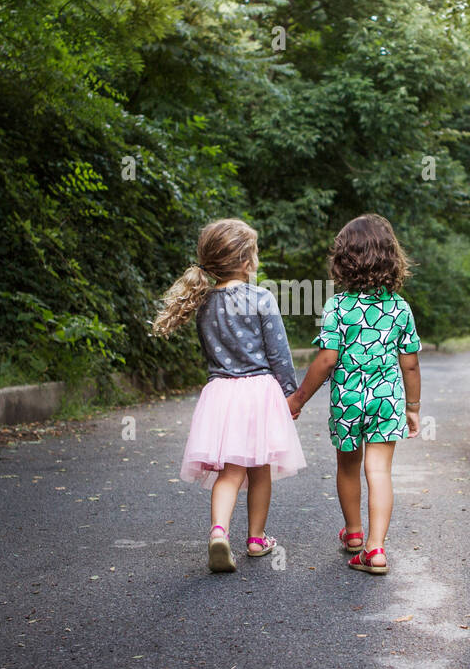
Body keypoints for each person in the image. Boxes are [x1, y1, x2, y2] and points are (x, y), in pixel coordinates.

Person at [152, 218, 305, 573]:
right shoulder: (260, 297)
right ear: (245, 260)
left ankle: (218, 532)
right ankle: (256, 538)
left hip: (221, 393)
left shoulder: (202, 301)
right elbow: (279, 353)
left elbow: (210, 351)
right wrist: (289, 395)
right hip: (259, 392)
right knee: (260, 469)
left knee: (231, 472)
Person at [288, 214, 421, 575]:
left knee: (348, 466)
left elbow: (327, 359)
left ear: (344, 260)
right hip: (387, 400)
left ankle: (354, 534)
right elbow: (409, 365)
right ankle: (376, 550)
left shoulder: (337, 307)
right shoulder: (399, 308)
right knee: (379, 470)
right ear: (392, 258)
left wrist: (298, 399)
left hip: (348, 400)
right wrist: (413, 407)